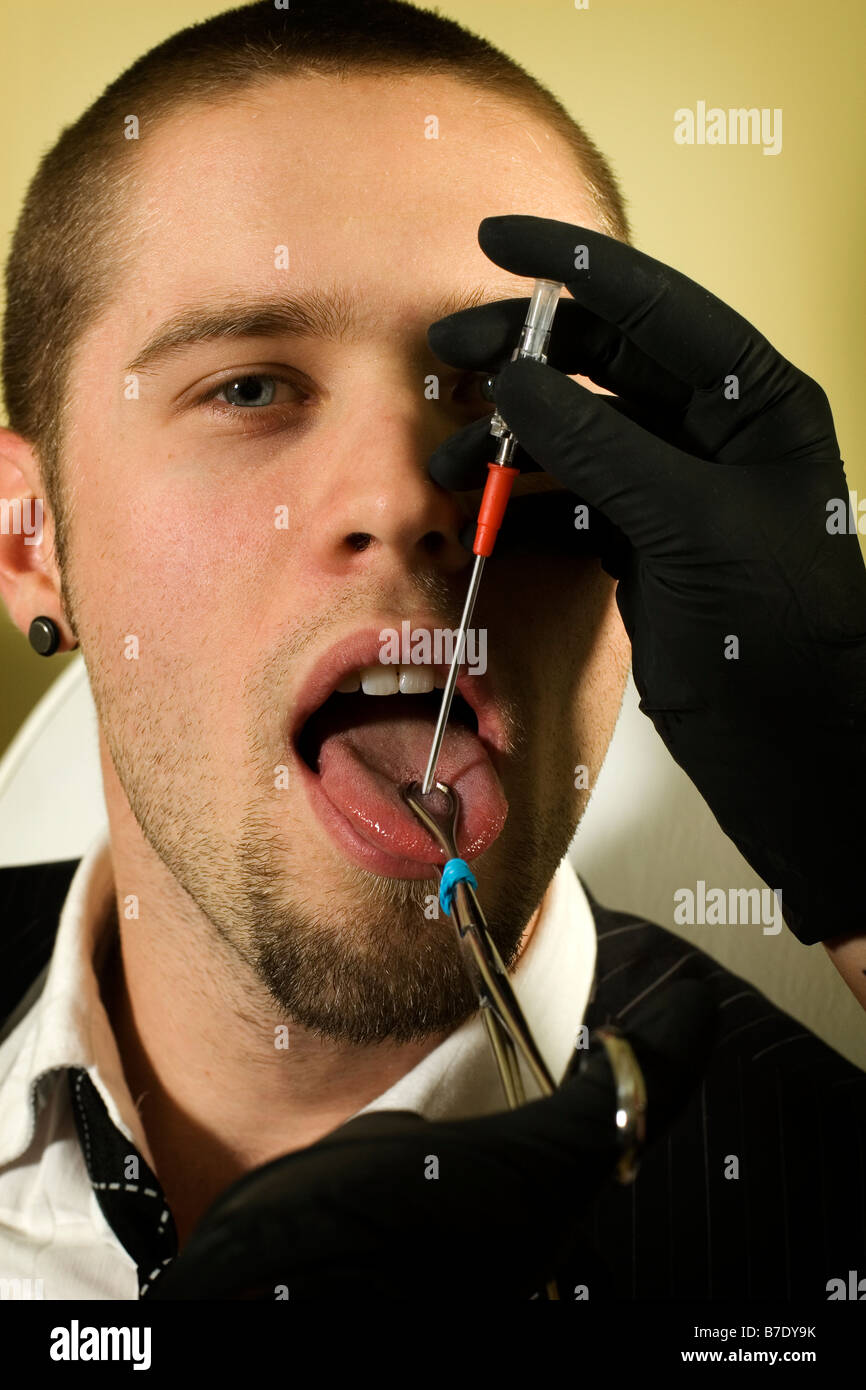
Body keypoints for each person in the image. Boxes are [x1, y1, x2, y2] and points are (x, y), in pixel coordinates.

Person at [0, 0, 863, 1302]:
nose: (406, 496)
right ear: (30, 541)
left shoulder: (824, 1219)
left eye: (495, 400)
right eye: (251, 386)